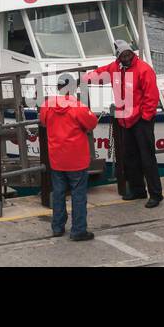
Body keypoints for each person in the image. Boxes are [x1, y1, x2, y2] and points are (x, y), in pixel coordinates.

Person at [87, 40, 163, 207]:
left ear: (131, 54)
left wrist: (145, 117)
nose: (127, 58)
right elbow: (100, 74)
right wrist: (84, 79)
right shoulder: (114, 68)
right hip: (125, 119)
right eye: (123, 56)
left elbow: (151, 96)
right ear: (118, 58)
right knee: (130, 157)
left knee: (147, 158)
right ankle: (138, 190)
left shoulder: (144, 69)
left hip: (141, 120)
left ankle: (156, 194)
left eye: (128, 54)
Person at [38, 74, 98, 241]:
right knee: (78, 195)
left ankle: (57, 227)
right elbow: (91, 123)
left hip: (57, 157)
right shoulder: (78, 106)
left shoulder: (47, 106)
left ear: (58, 88)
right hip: (76, 158)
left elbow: (43, 122)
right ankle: (78, 230)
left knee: (58, 193)